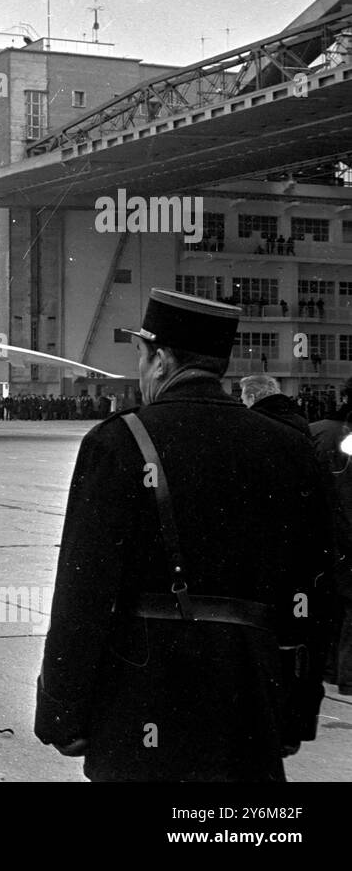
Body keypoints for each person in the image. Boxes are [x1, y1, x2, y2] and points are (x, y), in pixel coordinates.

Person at [36, 288, 335, 781]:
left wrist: (62, 712)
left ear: (161, 359)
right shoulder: (290, 448)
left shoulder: (118, 442)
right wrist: (296, 711)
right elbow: (312, 594)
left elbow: (82, 594)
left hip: (141, 701)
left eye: (141, 354)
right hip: (248, 702)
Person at [308, 377, 352, 697]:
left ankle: (330, 667)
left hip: (324, 531)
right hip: (344, 529)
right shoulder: (341, 436)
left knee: (332, 602)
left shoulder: (318, 430)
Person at [240, 374, 308, 434]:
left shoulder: (251, 424)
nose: (243, 403)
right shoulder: (299, 420)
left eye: (243, 399)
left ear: (252, 397)